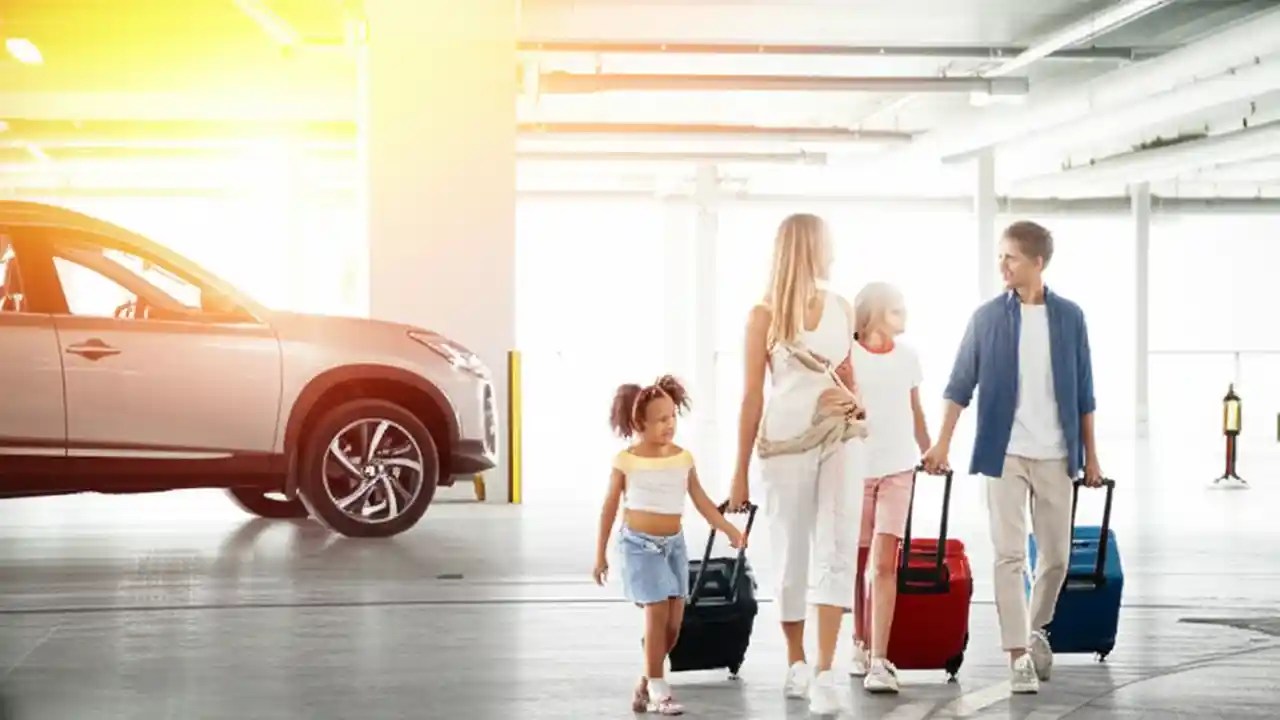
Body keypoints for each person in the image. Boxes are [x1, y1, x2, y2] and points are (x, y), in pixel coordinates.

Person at [922, 220, 1103, 694]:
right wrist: (941, 442)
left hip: (1058, 455)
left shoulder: (1070, 318)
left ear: (1037, 262)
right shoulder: (986, 319)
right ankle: (1018, 655)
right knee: (1007, 555)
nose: (1002, 265)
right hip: (1004, 453)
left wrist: (1093, 458)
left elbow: (1085, 392)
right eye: (1000, 256)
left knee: (1056, 557)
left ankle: (1036, 627)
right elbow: (960, 384)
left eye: (1011, 257)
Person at [727, 212, 865, 715]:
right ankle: (796, 662)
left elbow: (848, 373)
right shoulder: (763, 315)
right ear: (808, 248)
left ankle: (827, 671)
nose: (834, 252)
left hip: (841, 437)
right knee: (790, 554)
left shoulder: (842, 307)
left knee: (837, 543)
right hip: (784, 444)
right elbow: (750, 397)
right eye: (827, 243)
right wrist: (738, 471)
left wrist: (857, 404)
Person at [594, 375, 746, 716]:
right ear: (640, 423)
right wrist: (599, 553)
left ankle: (647, 680)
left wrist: (727, 529)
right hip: (638, 546)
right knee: (657, 611)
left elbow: (702, 501)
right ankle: (660, 691)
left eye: (672, 417)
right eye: (661, 419)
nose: (669, 425)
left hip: (673, 546)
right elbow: (608, 507)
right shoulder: (626, 460)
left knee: (673, 628)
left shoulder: (683, 458)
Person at [847, 282, 931, 694]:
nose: (905, 316)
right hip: (857, 471)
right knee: (858, 564)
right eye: (896, 310)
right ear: (874, 315)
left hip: (899, 470)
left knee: (884, 565)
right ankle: (858, 642)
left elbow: (916, 411)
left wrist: (930, 450)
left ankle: (879, 659)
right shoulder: (849, 356)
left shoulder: (909, 357)